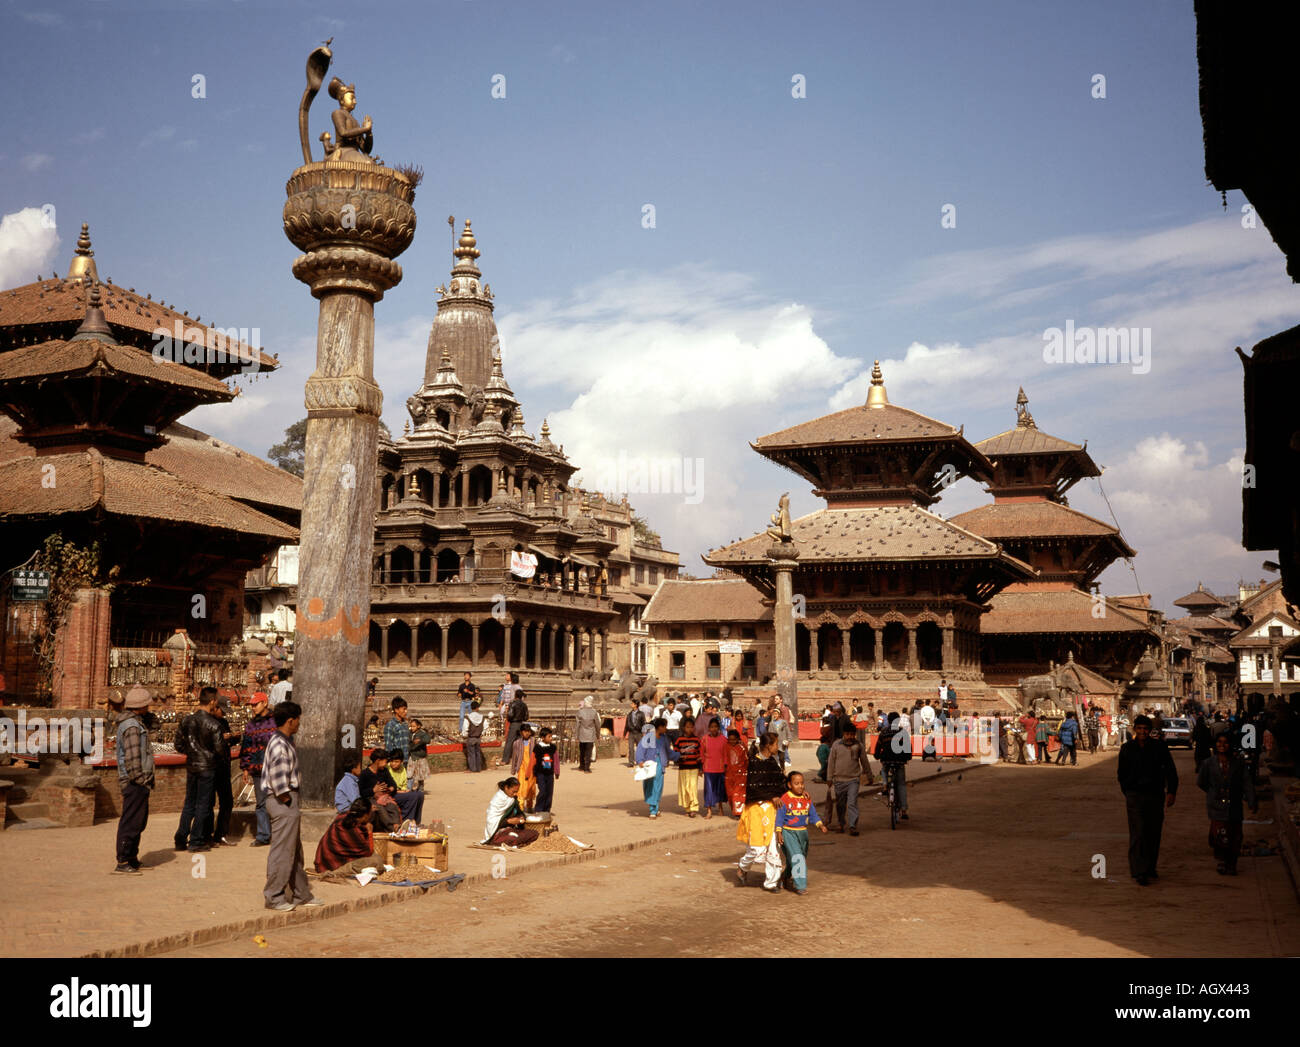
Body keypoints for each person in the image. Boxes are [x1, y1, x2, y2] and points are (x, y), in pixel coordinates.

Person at [262, 701, 324, 911]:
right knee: (282, 852)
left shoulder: (285, 741)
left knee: (294, 851)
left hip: (287, 801)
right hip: (283, 801)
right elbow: (280, 784)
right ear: (291, 720)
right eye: (298, 719)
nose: (299, 723)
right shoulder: (280, 745)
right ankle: (274, 896)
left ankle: (301, 894)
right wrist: (289, 801)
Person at [1117, 714, 1178, 886]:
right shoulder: (1127, 748)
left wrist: (1171, 791)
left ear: (1150, 731)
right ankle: (1139, 871)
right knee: (1138, 832)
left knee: (1153, 832)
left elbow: (1170, 770)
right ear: (1134, 729)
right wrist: (1129, 791)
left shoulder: (1159, 747)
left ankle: (1150, 867)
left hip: (1155, 795)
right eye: (1139, 729)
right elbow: (1121, 774)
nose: (1142, 732)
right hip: (1135, 795)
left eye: (1146, 729)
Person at [1196, 731, 1257, 875]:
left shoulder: (1238, 763)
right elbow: (1201, 782)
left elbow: (1246, 782)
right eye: (1219, 742)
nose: (1222, 745)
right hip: (1216, 807)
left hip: (1235, 804)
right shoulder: (1208, 763)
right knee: (1220, 834)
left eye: (1225, 742)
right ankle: (1222, 861)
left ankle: (1232, 863)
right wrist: (1213, 793)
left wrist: (1251, 800)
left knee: (1235, 835)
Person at [110, 686, 155, 874]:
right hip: (134, 781)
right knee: (131, 821)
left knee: (138, 820)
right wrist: (139, 779)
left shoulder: (135, 723)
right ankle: (123, 859)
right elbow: (133, 757)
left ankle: (131, 856)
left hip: (137, 780)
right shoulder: (132, 727)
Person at [173, 686, 222, 853]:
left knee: (189, 803)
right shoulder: (213, 724)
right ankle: (196, 840)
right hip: (207, 767)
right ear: (213, 701)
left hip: (192, 765)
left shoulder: (186, 720)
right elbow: (220, 749)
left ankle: (181, 838)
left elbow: (178, 745)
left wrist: (192, 753)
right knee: (203, 804)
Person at [737, 733, 786, 891]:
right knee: (756, 848)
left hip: (771, 810)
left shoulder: (773, 763)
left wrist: (798, 790)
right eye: (776, 744)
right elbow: (754, 787)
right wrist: (772, 796)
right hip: (756, 810)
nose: (777, 747)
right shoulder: (753, 763)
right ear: (768, 746)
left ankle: (771, 882)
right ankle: (743, 867)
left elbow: (781, 783)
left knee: (773, 846)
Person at [776, 771, 827, 895]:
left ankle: (785, 877)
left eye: (802, 783)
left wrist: (820, 825)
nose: (800, 786)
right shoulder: (785, 799)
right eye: (796, 783)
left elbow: (813, 814)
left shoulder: (806, 798)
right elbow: (779, 817)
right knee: (798, 858)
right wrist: (779, 832)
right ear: (789, 785)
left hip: (803, 833)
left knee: (796, 858)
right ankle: (800, 885)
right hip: (789, 833)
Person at [239, 692, 277, 846]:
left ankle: (278, 834)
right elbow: (246, 747)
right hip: (257, 769)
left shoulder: (275, 722)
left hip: (274, 769)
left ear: (265, 703)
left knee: (276, 802)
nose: (253, 708)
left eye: (256, 704)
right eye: (252, 705)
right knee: (261, 803)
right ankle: (263, 836)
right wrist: (245, 768)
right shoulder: (250, 725)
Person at [827, 720, 873, 835]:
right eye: (847, 734)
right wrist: (829, 777)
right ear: (844, 734)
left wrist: (869, 775)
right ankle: (841, 823)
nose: (850, 737)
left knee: (852, 803)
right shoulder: (836, 745)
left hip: (853, 779)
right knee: (840, 804)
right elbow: (831, 762)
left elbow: (865, 762)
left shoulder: (859, 745)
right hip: (838, 780)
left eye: (852, 734)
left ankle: (853, 826)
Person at [314, 798, 376, 878]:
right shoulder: (355, 829)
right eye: (370, 813)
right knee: (376, 861)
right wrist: (370, 832)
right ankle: (336, 872)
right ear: (365, 815)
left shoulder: (343, 815)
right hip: (333, 864)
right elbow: (367, 852)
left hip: (322, 861)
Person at [874, 711, 913, 820]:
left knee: (884, 770)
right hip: (899, 761)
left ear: (888, 721)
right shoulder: (902, 732)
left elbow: (878, 748)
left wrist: (877, 756)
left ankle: (885, 785)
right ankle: (904, 810)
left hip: (886, 760)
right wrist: (907, 757)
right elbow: (908, 748)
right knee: (901, 785)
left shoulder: (884, 732)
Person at [635, 718, 677, 818]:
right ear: (659, 727)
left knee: (657, 787)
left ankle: (654, 808)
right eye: (664, 726)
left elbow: (668, 751)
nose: (665, 729)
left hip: (660, 764)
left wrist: (679, 755)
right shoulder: (648, 738)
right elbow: (641, 748)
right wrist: (640, 760)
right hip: (649, 765)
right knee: (650, 786)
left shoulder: (664, 738)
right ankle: (653, 808)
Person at [209, 697, 236, 846]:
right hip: (213, 766)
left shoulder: (224, 723)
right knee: (209, 802)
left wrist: (232, 738)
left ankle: (221, 833)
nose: (224, 715)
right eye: (222, 711)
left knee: (227, 801)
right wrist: (220, 738)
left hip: (224, 765)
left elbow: (228, 742)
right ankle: (207, 833)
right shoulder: (209, 723)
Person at [482, 777, 538, 847]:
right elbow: (492, 821)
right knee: (513, 839)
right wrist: (508, 821)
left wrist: (520, 818)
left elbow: (519, 812)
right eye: (513, 791)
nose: (515, 794)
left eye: (516, 792)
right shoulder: (498, 799)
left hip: (510, 830)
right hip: (497, 834)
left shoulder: (512, 800)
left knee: (534, 833)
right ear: (506, 788)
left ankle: (517, 842)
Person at [383, 748, 425, 823]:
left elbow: (404, 784)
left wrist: (404, 790)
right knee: (412, 796)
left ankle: (416, 821)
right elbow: (387, 788)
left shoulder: (402, 769)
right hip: (391, 794)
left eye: (396, 762)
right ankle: (405, 820)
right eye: (392, 761)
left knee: (420, 795)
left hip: (399, 792)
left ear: (401, 762)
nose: (393, 764)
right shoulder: (387, 769)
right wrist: (400, 791)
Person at [673, 716, 703, 817]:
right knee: (685, 788)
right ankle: (687, 808)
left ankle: (694, 808)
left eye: (691, 727)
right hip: (683, 768)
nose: (689, 729)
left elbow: (700, 755)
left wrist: (700, 768)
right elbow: (675, 754)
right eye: (687, 727)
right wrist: (680, 757)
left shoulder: (696, 740)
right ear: (683, 728)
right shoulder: (679, 740)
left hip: (693, 768)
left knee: (693, 787)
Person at [700, 718, 729, 819]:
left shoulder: (724, 740)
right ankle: (709, 810)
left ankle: (720, 808)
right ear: (709, 728)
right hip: (708, 768)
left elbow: (726, 754)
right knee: (709, 790)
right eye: (712, 727)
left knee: (719, 790)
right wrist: (702, 766)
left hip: (720, 768)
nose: (714, 729)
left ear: (718, 728)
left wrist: (725, 766)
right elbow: (702, 754)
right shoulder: (704, 739)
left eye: (715, 727)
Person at [495, 673, 524, 767]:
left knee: (509, 740)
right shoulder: (523, 703)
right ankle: (520, 758)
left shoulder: (512, 690)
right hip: (520, 722)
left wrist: (508, 710)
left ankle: (505, 759)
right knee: (520, 741)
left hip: (514, 722)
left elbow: (510, 702)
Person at [512, 723, 538, 812]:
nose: (527, 733)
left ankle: (530, 806)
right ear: (521, 732)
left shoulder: (534, 742)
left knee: (530, 787)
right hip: (522, 768)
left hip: (532, 768)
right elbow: (514, 757)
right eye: (525, 731)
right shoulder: (517, 743)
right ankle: (521, 807)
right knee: (521, 787)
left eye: (528, 731)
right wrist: (513, 769)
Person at [532, 727, 560, 813]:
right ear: (543, 737)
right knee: (543, 791)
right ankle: (539, 808)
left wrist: (557, 771)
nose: (551, 738)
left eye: (551, 736)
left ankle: (547, 809)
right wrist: (532, 772)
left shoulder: (553, 748)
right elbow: (533, 760)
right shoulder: (537, 747)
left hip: (550, 773)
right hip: (540, 773)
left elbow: (556, 760)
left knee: (549, 792)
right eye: (549, 736)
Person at [724, 728, 749, 817]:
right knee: (730, 794)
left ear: (738, 739)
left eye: (734, 739)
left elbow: (747, 760)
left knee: (738, 794)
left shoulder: (742, 747)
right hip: (729, 774)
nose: (732, 741)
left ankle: (739, 813)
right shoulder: (725, 746)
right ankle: (734, 810)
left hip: (740, 775)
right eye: (730, 739)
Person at [575, 695, 600, 772]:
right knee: (588, 751)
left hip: (582, 733)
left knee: (582, 750)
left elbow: (577, 725)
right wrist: (598, 734)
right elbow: (597, 724)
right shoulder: (594, 712)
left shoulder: (580, 712)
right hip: (590, 734)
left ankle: (581, 765)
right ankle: (587, 767)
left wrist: (576, 736)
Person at [384, 696, 412, 761]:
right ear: (396, 710)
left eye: (406, 709)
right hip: (397, 761)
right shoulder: (390, 725)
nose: (406, 711)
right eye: (404, 709)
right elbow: (389, 746)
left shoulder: (405, 724)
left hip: (406, 760)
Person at [408, 718, 431, 792]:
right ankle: (409, 788)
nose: (412, 728)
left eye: (414, 726)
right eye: (411, 726)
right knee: (410, 772)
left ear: (418, 726)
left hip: (420, 756)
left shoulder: (422, 733)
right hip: (412, 755)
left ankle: (421, 787)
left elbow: (428, 740)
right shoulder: (410, 733)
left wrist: (420, 741)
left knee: (420, 774)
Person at [463, 699, 486, 772]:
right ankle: (478, 768)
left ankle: (472, 768)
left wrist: (465, 735)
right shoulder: (482, 717)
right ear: (477, 708)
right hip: (478, 738)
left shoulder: (468, 717)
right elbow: (485, 727)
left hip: (471, 737)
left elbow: (465, 728)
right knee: (478, 753)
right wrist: (481, 734)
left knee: (471, 754)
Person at [624, 698, 646, 766]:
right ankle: (631, 762)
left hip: (638, 732)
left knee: (640, 748)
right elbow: (627, 724)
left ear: (636, 705)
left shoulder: (641, 714)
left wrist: (644, 733)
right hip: (631, 732)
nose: (631, 704)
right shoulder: (629, 714)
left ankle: (640, 760)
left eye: (632, 703)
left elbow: (643, 723)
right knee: (631, 748)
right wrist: (624, 734)